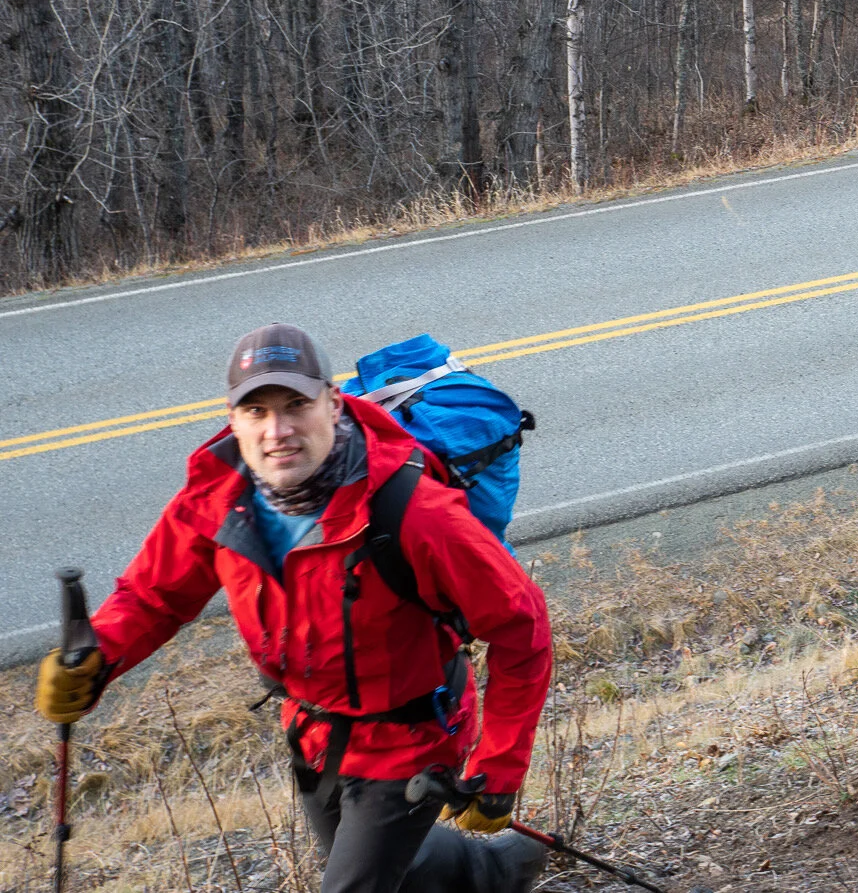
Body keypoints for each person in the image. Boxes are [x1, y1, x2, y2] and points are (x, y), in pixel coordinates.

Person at [34, 325, 554, 893]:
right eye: (255, 411)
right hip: (312, 731)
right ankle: (498, 869)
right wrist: (98, 656)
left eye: (295, 406)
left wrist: (499, 767)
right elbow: (155, 595)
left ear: (333, 406)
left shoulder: (416, 512)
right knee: (401, 870)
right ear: (232, 420)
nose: (276, 431)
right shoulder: (217, 497)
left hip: (412, 739)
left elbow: (520, 625)